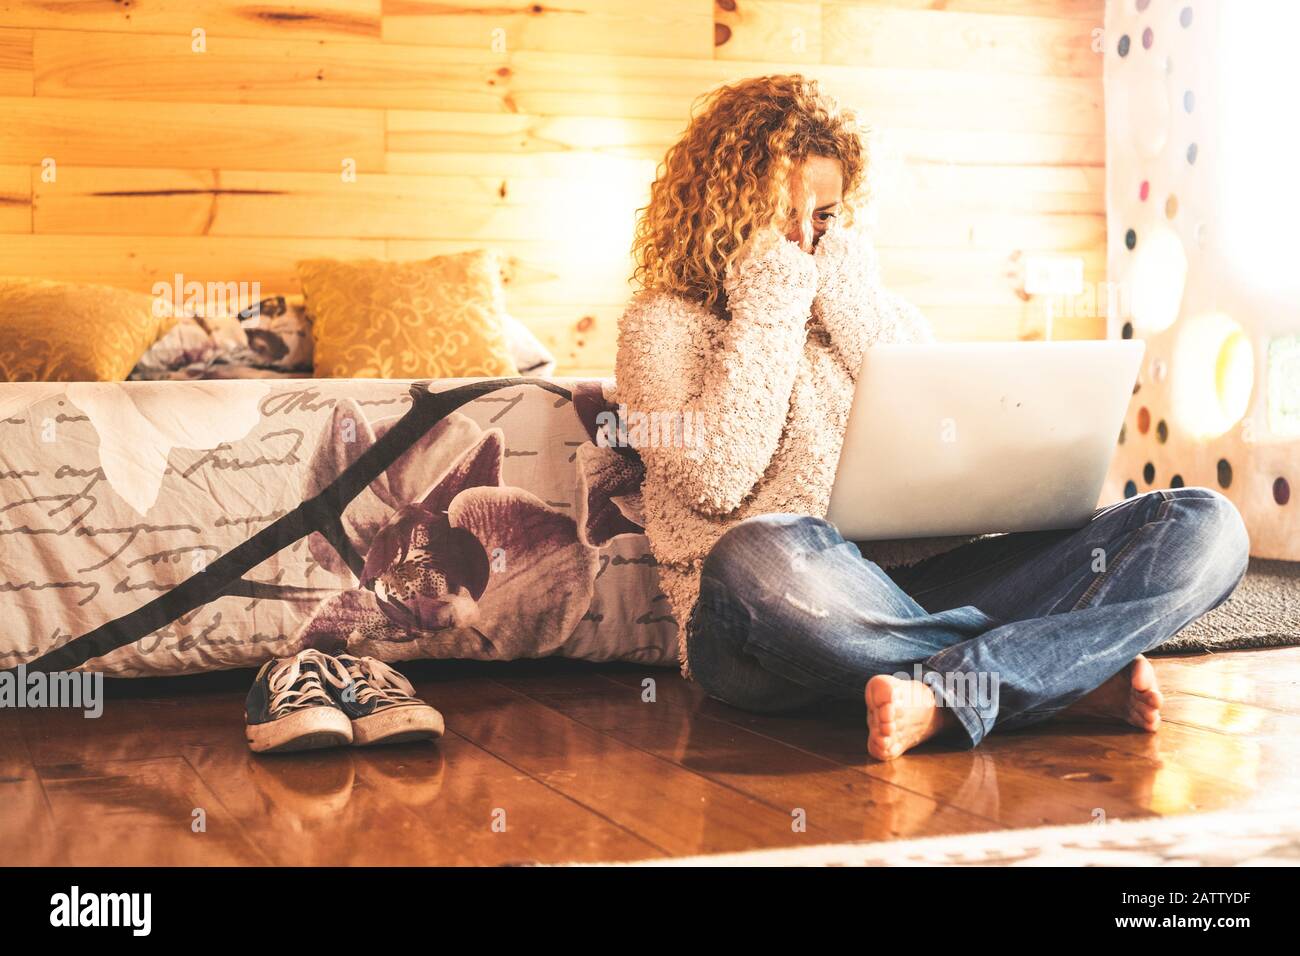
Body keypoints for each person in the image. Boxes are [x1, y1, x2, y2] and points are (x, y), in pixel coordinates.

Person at [614, 74, 1249, 760]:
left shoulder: (877, 315)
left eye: (823, 218)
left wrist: (855, 310)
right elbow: (718, 475)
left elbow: (955, 455)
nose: (803, 240)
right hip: (771, 616)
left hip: (924, 584)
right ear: (724, 207)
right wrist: (774, 299)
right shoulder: (661, 327)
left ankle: (960, 693)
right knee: (759, 553)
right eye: (781, 215)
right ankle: (1051, 676)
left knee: (1205, 525)